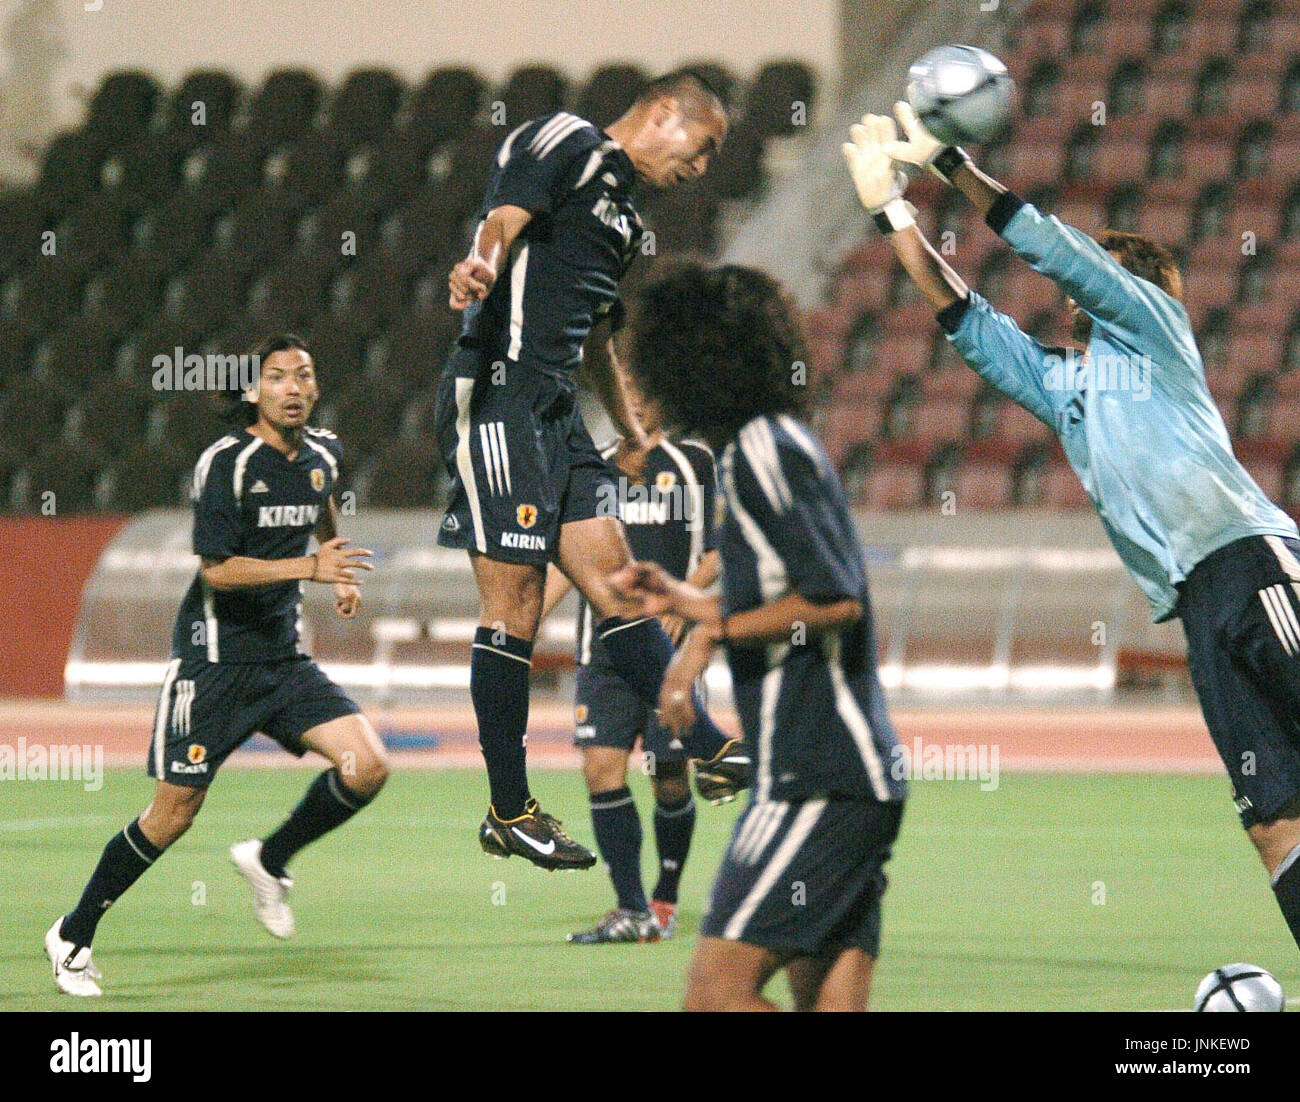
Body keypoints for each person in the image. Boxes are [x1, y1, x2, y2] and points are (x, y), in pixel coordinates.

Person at [843, 104, 1300, 954]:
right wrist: (892, 212)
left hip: (1251, 564)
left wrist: (955, 169)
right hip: (1199, 605)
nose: (1078, 282)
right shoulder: (1067, 386)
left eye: (1105, 268)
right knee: (1274, 822)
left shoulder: (1162, 336)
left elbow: (1058, 253)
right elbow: (965, 319)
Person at [437, 70, 747, 871]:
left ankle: (711, 747)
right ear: (666, 115)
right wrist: (478, 264)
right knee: (517, 606)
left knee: (615, 585)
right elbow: (500, 218)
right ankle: (510, 809)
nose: (702, 168)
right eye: (704, 148)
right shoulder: (565, 139)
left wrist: (634, 429)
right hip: (500, 394)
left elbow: (598, 333)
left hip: (559, 416)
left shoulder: (625, 218)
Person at [45, 334, 388, 996]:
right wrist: (309, 567)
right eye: (278, 377)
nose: (293, 387)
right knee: (173, 815)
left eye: (304, 375)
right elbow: (218, 569)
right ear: (255, 391)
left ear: (315, 389)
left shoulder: (325, 452)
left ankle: (269, 859)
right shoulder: (226, 464)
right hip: (213, 665)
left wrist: (336, 564)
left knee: (367, 765)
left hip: (283, 662)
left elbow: (322, 498)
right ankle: (73, 935)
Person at [611, 264, 907, 1011]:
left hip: (817, 779)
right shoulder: (770, 445)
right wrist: (689, 599)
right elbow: (797, 588)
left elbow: (834, 599)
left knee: (713, 998)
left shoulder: (763, 450)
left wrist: (714, 628)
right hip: (844, 778)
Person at [540, 377, 722, 943]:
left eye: (641, 390)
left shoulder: (693, 462)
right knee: (600, 769)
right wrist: (520, 630)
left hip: (667, 647)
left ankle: (666, 895)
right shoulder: (588, 468)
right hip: (602, 648)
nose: (633, 400)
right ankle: (630, 907)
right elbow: (567, 559)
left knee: (669, 775)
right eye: (622, 390)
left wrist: (680, 600)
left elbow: (717, 547)